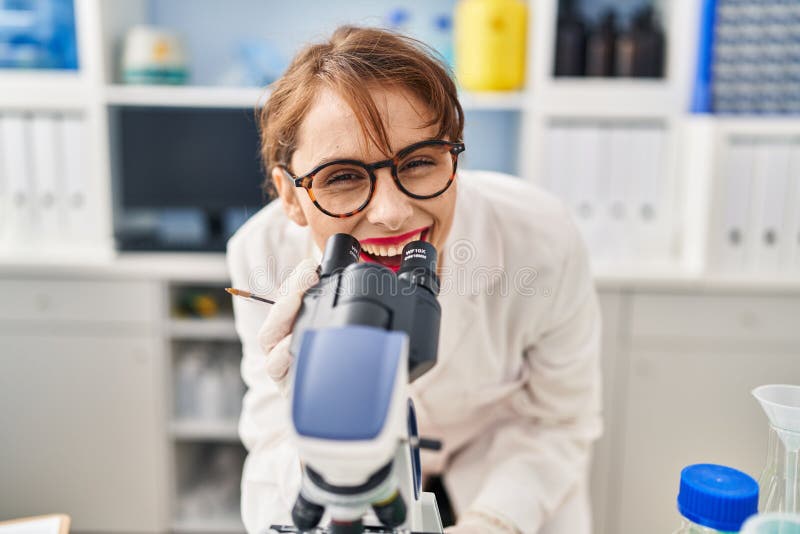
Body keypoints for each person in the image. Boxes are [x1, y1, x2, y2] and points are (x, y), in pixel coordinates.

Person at [227, 26, 602, 534]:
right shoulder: (261, 252)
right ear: (290, 197)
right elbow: (271, 433)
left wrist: (494, 522)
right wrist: (308, 411)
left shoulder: (540, 238)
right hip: (360, 485)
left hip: (502, 477)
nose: (391, 212)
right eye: (342, 177)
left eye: (419, 162)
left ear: (454, 155)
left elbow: (560, 421)